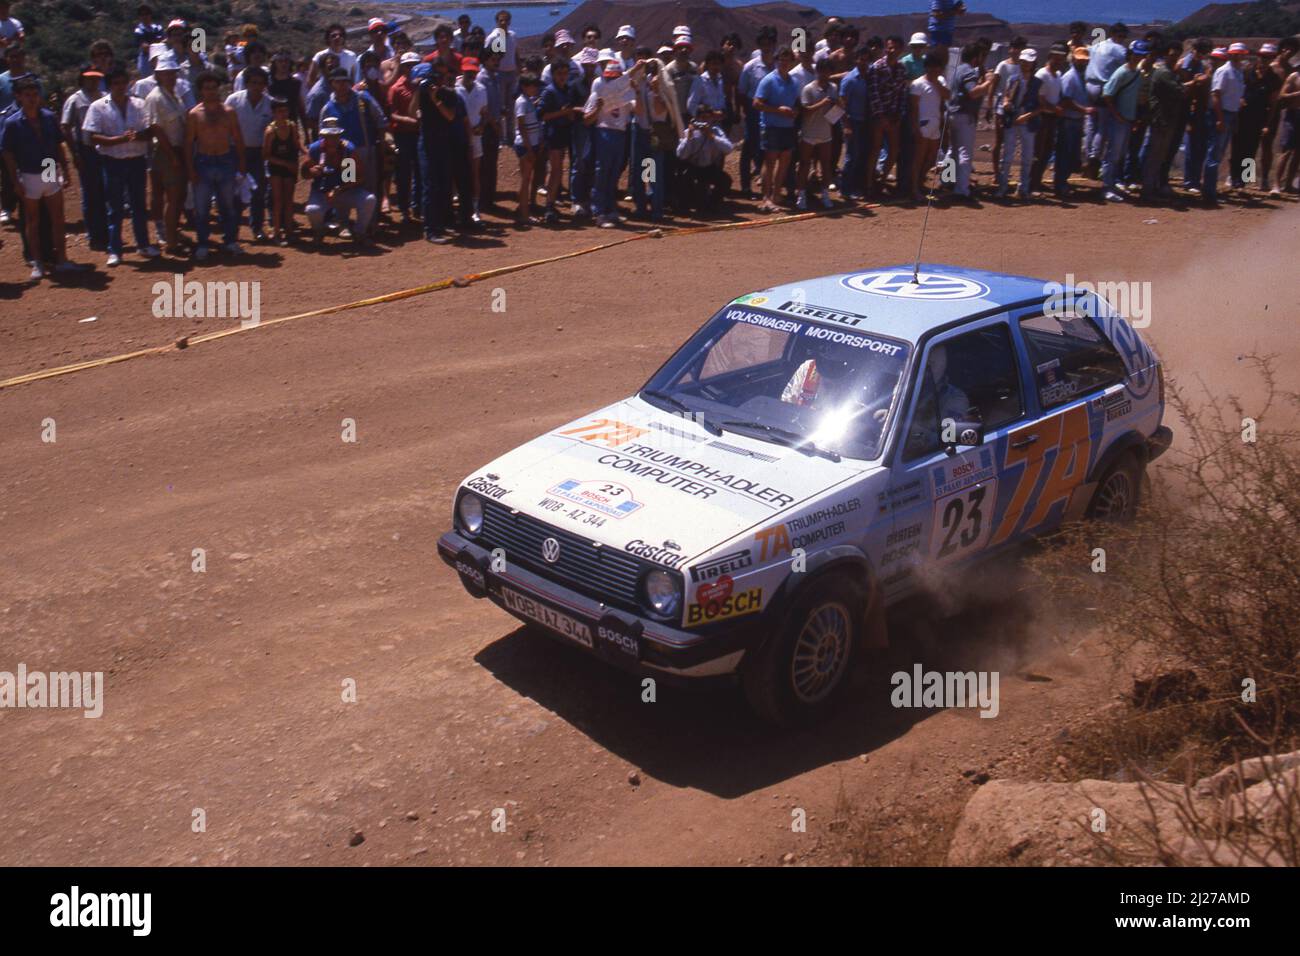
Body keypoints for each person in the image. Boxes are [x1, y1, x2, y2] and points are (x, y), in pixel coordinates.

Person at [2, 77, 80, 279]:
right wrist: (15, 181)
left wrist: (65, 169)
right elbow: (8, 154)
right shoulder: (11, 123)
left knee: (57, 217)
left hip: (48, 168)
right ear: (18, 96)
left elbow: (57, 144)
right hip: (28, 172)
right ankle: (37, 262)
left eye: (34, 94)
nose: (32, 99)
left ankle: (62, 259)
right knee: (32, 220)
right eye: (27, 95)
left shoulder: (48, 117)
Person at [83, 65, 159, 266]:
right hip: (112, 161)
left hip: (136, 160)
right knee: (114, 208)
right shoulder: (98, 106)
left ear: (128, 83)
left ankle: (143, 244)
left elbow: (151, 130)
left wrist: (137, 135)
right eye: (115, 83)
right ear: (109, 86)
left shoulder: (140, 104)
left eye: (123, 82)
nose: (120, 86)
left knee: (139, 205)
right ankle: (115, 250)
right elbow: (91, 136)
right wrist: (117, 140)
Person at [186, 70, 245, 260]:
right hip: (203, 162)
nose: (211, 91)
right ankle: (203, 243)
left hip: (225, 160)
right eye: (206, 88)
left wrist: (241, 165)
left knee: (227, 205)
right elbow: (188, 143)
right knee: (202, 208)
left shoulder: (228, 112)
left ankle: (230, 241)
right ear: (201, 91)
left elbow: (237, 138)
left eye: (213, 87)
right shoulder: (195, 114)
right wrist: (190, 169)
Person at [412, 59, 472, 242]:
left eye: (442, 75)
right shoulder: (422, 91)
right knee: (430, 185)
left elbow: (450, 116)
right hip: (427, 141)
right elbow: (411, 111)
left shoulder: (448, 94)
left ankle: (444, 221)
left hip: (443, 141)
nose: (438, 80)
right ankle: (431, 229)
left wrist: (435, 99)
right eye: (435, 76)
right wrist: (418, 91)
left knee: (443, 183)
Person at [584, 53, 645, 227]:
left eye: (615, 78)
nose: (612, 82)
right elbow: (587, 118)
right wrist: (598, 108)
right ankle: (599, 212)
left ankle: (610, 209)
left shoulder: (627, 93)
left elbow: (639, 111)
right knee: (602, 172)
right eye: (609, 78)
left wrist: (638, 92)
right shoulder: (599, 92)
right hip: (604, 132)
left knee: (614, 173)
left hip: (620, 133)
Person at [304, 116, 376, 246]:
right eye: (329, 136)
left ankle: (360, 232)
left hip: (343, 192)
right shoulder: (316, 149)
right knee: (312, 210)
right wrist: (311, 172)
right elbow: (304, 173)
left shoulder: (347, 151)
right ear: (323, 136)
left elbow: (357, 178)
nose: (332, 140)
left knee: (369, 200)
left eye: (335, 136)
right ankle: (319, 231)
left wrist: (339, 189)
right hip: (321, 192)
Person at [143, 55, 189, 253]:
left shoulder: (174, 95)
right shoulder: (155, 97)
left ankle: (173, 233)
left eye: (173, 73)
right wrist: (171, 155)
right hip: (166, 150)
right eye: (166, 74)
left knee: (179, 196)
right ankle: (171, 242)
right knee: (172, 195)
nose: (171, 77)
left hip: (178, 148)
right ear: (158, 75)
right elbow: (156, 128)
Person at [60, 65, 108, 250]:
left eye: (96, 78)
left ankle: (106, 232)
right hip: (86, 149)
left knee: (106, 191)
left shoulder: (104, 96)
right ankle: (94, 234)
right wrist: (75, 154)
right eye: (89, 78)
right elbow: (66, 127)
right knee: (90, 193)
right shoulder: (75, 99)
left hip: (105, 147)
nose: (93, 81)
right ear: (82, 79)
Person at [226, 65, 274, 241]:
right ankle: (233, 229)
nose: (257, 86)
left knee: (258, 191)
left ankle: (257, 227)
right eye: (253, 82)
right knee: (235, 192)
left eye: (261, 83)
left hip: (259, 153)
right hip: (236, 151)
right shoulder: (233, 101)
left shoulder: (270, 104)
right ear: (246, 83)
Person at [946, 43, 994, 202]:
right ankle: (962, 189)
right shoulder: (967, 71)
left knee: (952, 150)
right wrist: (988, 82)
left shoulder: (958, 69)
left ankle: (947, 180)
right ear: (975, 58)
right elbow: (973, 93)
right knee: (964, 153)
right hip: (964, 115)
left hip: (952, 113)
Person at [754, 45, 799, 213]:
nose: (784, 62)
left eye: (788, 60)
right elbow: (757, 103)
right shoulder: (768, 80)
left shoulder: (793, 82)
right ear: (776, 60)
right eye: (782, 59)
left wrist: (795, 111)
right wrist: (777, 110)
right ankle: (766, 197)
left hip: (788, 126)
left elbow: (796, 102)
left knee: (785, 161)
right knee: (770, 161)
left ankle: (776, 194)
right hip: (771, 125)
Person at [538, 59, 582, 224]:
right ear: (553, 74)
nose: (563, 76)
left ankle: (551, 202)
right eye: (559, 74)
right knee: (555, 170)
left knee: (559, 170)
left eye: (565, 73)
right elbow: (542, 115)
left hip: (564, 132)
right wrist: (562, 113)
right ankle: (549, 205)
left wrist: (570, 114)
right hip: (552, 133)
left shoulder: (567, 90)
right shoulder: (549, 91)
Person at [1140, 41, 1185, 202]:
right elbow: (1179, 90)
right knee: (1155, 155)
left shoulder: (1168, 72)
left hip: (1166, 119)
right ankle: (1147, 189)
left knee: (1159, 155)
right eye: (1172, 55)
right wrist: (1195, 82)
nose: (1174, 58)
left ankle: (1152, 187)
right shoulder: (1164, 73)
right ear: (1166, 55)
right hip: (1160, 119)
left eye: (1177, 55)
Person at [1202, 43, 1247, 205]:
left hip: (1233, 114)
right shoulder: (1224, 71)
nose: (1238, 56)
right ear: (1230, 55)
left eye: (1241, 54)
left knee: (1220, 152)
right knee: (1214, 152)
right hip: (1222, 114)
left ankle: (1215, 188)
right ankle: (1208, 191)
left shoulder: (1239, 72)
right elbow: (1216, 95)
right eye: (1235, 54)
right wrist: (1220, 118)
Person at [997, 48, 1044, 200]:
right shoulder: (1013, 79)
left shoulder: (1037, 83)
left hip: (1027, 122)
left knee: (1027, 157)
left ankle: (1023, 188)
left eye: (1028, 63)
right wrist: (1005, 103)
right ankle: (1003, 187)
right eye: (1023, 62)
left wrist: (1026, 116)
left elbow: (1041, 105)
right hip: (1012, 120)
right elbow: (1006, 95)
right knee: (1008, 156)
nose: (1025, 65)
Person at [1099, 41, 1143, 202]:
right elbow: (1107, 94)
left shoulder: (1137, 73)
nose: (1138, 58)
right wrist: (1116, 114)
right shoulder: (1121, 73)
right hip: (1118, 120)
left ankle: (1112, 184)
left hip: (1128, 119)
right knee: (1113, 154)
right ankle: (1106, 186)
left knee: (1119, 155)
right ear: (1130, 55)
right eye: (1136, 54)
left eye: (1141, 55)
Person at [1085, 23, 1130, 179]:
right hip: (1103, 87)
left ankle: (1088, 152)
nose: (1122, 39)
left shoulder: (1097, 45)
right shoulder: (1119, 49)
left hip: (1089, 85)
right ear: (1117, 35)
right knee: (1102, 126)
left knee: (1092, 123)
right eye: (1121, 36)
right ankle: (1094, 157)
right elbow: (1131, 64)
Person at [865, 36, 907, 198]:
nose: (892, 51)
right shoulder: (877, 67)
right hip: (878, 116)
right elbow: (873, 93)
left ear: (901, 50)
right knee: (875, 150)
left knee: (894, 150)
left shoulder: (901, 69)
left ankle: (882, 181)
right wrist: (880, 116)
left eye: (895, 48)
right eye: (889, 47)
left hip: (894, 116)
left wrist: (899, 114)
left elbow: (903, 92)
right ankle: (869, 184)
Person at [738, 27, 776, 198]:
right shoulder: (750, 67)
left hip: (773, 112)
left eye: (769, 43)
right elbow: (742, 91)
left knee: (767, 148)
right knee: (748, 149)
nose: (766, 47)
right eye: (763, 44)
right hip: (753, 112)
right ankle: (746, 187)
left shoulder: (778, 65)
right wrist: (744, 112)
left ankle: (766, 185)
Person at [797, 56, 839, 209]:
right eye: (822, 71)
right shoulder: (808, 89)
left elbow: (836, 110)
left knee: (826, 165)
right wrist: (822, 103)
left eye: (828, 71)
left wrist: (837, 108)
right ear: (818, 71)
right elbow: (805, 111)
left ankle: (825, 194)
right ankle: (801, 195)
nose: (825, 74)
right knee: (804, 164)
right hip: (809, 133)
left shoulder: (833, 88)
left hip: (825, 133)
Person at [908, 51, 949, 202]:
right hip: (923, 124)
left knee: (931, 158)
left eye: (937, 67)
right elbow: (914, 108)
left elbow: (947, 96)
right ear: (926, 68)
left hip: (936, 123)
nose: (934, 70)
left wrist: (937, 82)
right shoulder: (918, 84)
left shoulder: (941, 81)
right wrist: (916, 128)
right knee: (919, 158)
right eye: (932, 67)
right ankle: (914, 189)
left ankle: (919, 183)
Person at [1055, 47, 1094, 198]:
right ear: (1074, 59)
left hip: (1076, 120)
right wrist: (1084, 110)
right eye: (1080, 59)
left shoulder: (1080, 75)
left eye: (1085, 60)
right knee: (1064, 154)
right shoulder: (1070, 77)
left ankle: (1063, 182)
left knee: (1070, 154)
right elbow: (1066, 100)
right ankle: (1060, 184)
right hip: (1068, 120)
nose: (1083, 62)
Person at [676, 111, 732, 214]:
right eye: (702, 118)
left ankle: (713, 205)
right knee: (684, 180)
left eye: (708, 118)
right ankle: (685, 205)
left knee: (725, 181)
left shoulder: (716, 131)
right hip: (694, 167)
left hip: (709, 167)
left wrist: (712, 137)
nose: (705, 121)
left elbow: (728, 148)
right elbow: (681, 154)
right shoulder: (689, 132)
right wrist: (689, 138)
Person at [388, 52, 423, 222]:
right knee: (403, 174)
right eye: (408, 65)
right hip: (403, 135)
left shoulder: (423, 86)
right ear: (402, 67)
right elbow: (391, 114)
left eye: (414, 65)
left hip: (419, 135)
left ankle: (418, 207)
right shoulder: (396, 88)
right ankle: (404, 209)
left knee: (420, 172)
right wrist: (408, 120)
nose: (411, 68)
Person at [262, 96, 302, 244]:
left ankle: (289, 231)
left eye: (286, 111)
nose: (283, 114)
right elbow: (265, 155)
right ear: (274, 113)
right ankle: (277, 232)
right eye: (280, 111)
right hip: (276, 167)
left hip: (289, 165)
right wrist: (285, 163)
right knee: (278, 200)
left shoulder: (291, 126)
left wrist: (307, 153)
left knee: (289, 200)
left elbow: (297, 144)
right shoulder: (271, 131)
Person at [1028, 43, 1067, 193]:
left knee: (1047, 151)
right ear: (1050, 57)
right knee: (1038, 151)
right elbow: (1040, 98)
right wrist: (1054, 108)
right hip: (1041, 117)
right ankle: (1031, 182)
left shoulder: (1058, 76)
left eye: (1061, 60)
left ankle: (1037, 180)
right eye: (1056, 59)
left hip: (1052, 118)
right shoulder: (1042, 74)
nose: (1059, 62)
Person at [1177, 38, 1214, 193]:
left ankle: (1194, 179)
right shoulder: (1185, 64)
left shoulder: (1200, 65)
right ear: (1194, 50)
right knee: (1190, 146)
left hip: (1198, 109)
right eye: (1200, 52)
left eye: (1205, 53)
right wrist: (1195, 82)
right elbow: (1181, 87)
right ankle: (1189, 181)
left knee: (1198, 146)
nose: (1201, 55)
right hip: (1185, 109)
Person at [457, 56, 488, 223]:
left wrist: (481, 126)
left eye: (473, 72)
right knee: (457, 173)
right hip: (458, 135)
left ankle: (475, 208)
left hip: (475, 135)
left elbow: (484, 112)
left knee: (474, 172)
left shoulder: (481, 89)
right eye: (468, 71)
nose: (471, 75)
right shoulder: (455, 89)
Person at [839, 46, 872, 200]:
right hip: (852, 121)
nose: (864, 62)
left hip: (866, 121)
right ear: (856, 60)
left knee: (862, 155)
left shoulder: (870, 76)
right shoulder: (850, 80)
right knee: (851, 156)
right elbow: (842, 104)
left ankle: (858, 186)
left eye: (866, 59)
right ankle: (845, 188)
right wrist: (846, 125)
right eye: (861, 59)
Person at [514, 71, 543, 226]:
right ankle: (523, 214)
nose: (535, 88)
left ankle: (523, 211)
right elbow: (521, 126)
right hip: (526, 146)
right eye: (533, 86)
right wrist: (530, 149)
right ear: (525, 87)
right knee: (525, 180)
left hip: (530, 144)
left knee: (527, 179)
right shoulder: (522, 102)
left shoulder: (528, 101)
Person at [477, 49, 505, 212]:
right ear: (486, 60)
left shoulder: (495, 77)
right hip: (486, 126)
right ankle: (483, 201)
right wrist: (495, 125)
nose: (497, 62)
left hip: (494, 123)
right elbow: (484, 108)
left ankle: (489, 199)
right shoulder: (483, 78)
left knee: (491, 164)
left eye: (498, 59)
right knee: (485, 165)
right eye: (493, 59)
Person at [487, 10, 520, 141]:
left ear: (509, 21)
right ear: (497, 22)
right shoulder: (494, 37)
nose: (503, 22)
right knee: (500, 106)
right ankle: (500, 136)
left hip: (512, 74)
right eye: (501, 20)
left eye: (506, 20)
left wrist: (518, 68)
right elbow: (492, 57)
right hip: (499, 74)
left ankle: (511, 135)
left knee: (511, 106)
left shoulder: (512, 36)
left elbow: (516, 53)